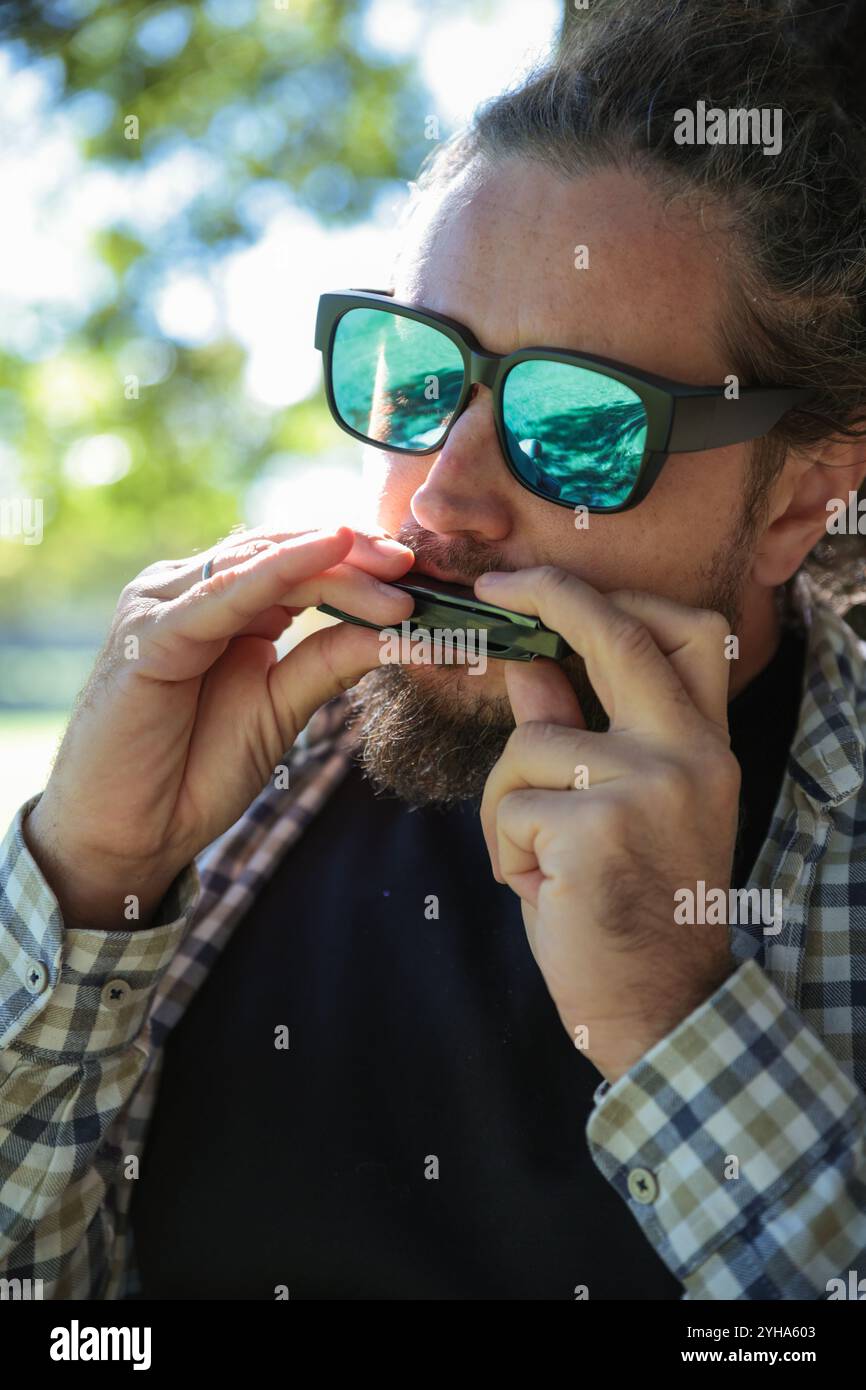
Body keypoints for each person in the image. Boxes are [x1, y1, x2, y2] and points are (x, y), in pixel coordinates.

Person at [2, 0, 866, 1301]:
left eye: (576, 423)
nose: (441, 498)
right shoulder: (240, 788)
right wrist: (88, 881)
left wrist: (674, 1020)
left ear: (798, 498)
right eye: (418, 376)